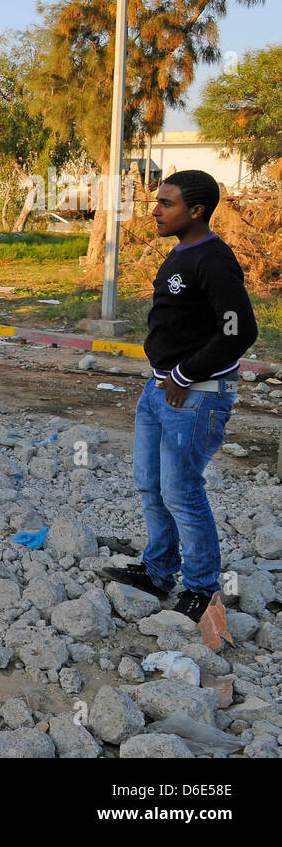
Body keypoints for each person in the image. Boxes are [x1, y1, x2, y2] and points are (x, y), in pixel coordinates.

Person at [101, 170, 257, 622]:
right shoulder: (180, 252)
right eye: (157, 202)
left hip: (195, 395)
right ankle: (158, 571)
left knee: (182, 491)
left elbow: (239, 330)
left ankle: (203, 589)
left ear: (196, 211)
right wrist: (165, 377)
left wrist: (185, 374)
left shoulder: (213, 259)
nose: (155, 211)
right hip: (159, 390)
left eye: (166, 203)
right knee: (151, 485)